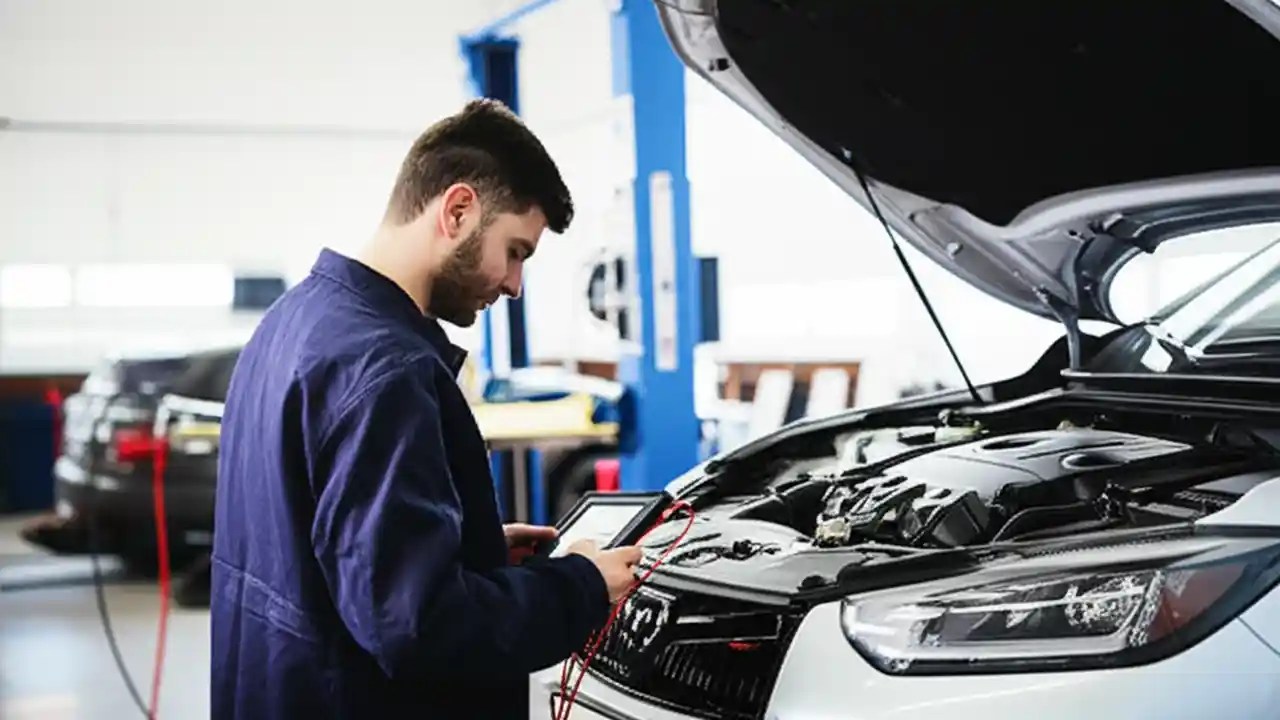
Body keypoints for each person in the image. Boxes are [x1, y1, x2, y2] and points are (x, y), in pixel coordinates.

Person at [210, 99, 643, 719]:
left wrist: (468, 549)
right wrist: (580, 587)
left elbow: (313, 547)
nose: (515, 285)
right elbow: (417, 626)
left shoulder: (291, 322)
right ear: (459, 209)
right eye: (516, 251)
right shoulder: (387, 370)